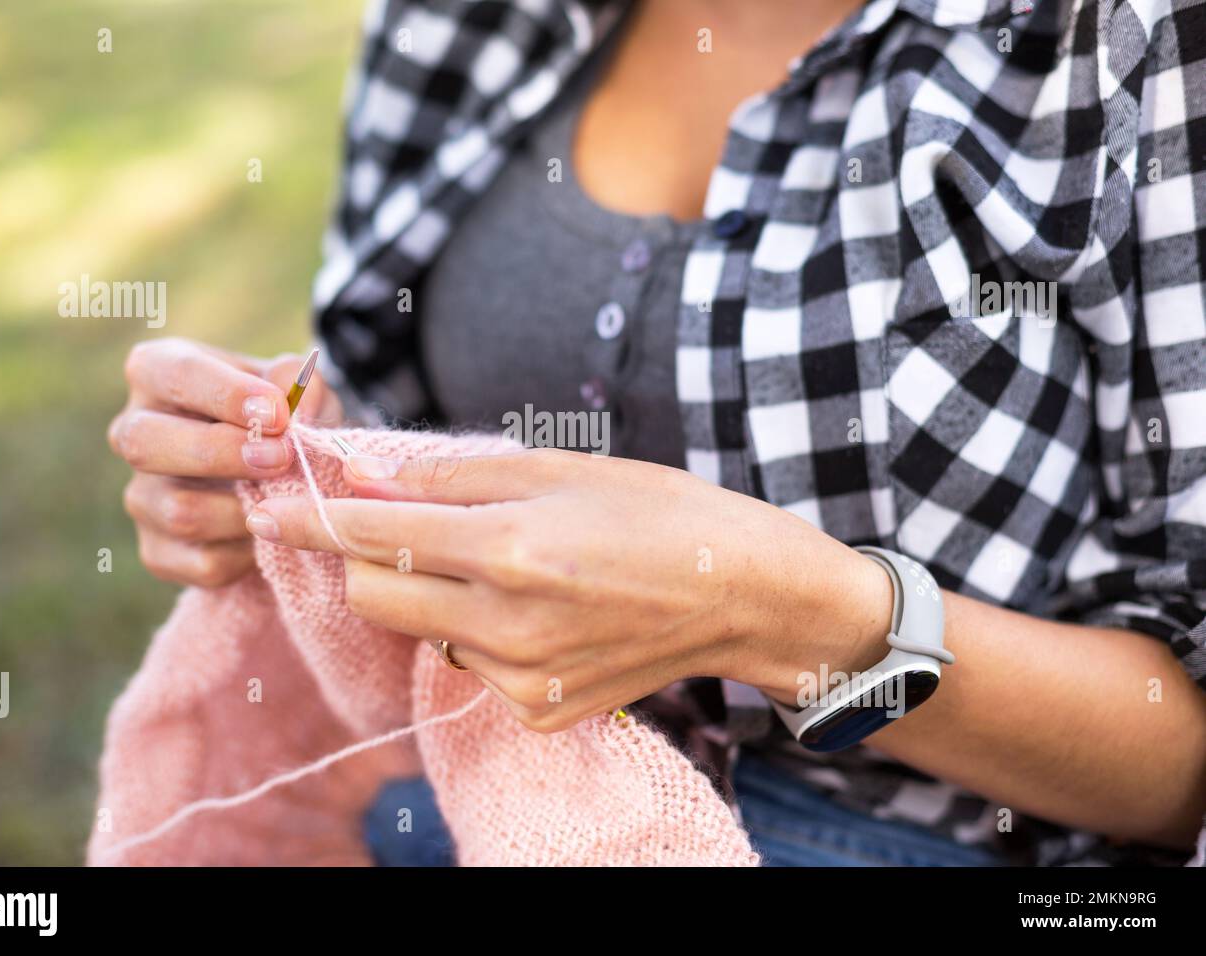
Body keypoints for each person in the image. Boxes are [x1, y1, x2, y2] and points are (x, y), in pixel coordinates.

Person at [108, 0, 1206, 865]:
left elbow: (1184, 760)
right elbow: (380, 395)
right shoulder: (458, 16)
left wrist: (780, 617)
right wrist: (290, 471)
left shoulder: (1123, 41)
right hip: (443, 806)